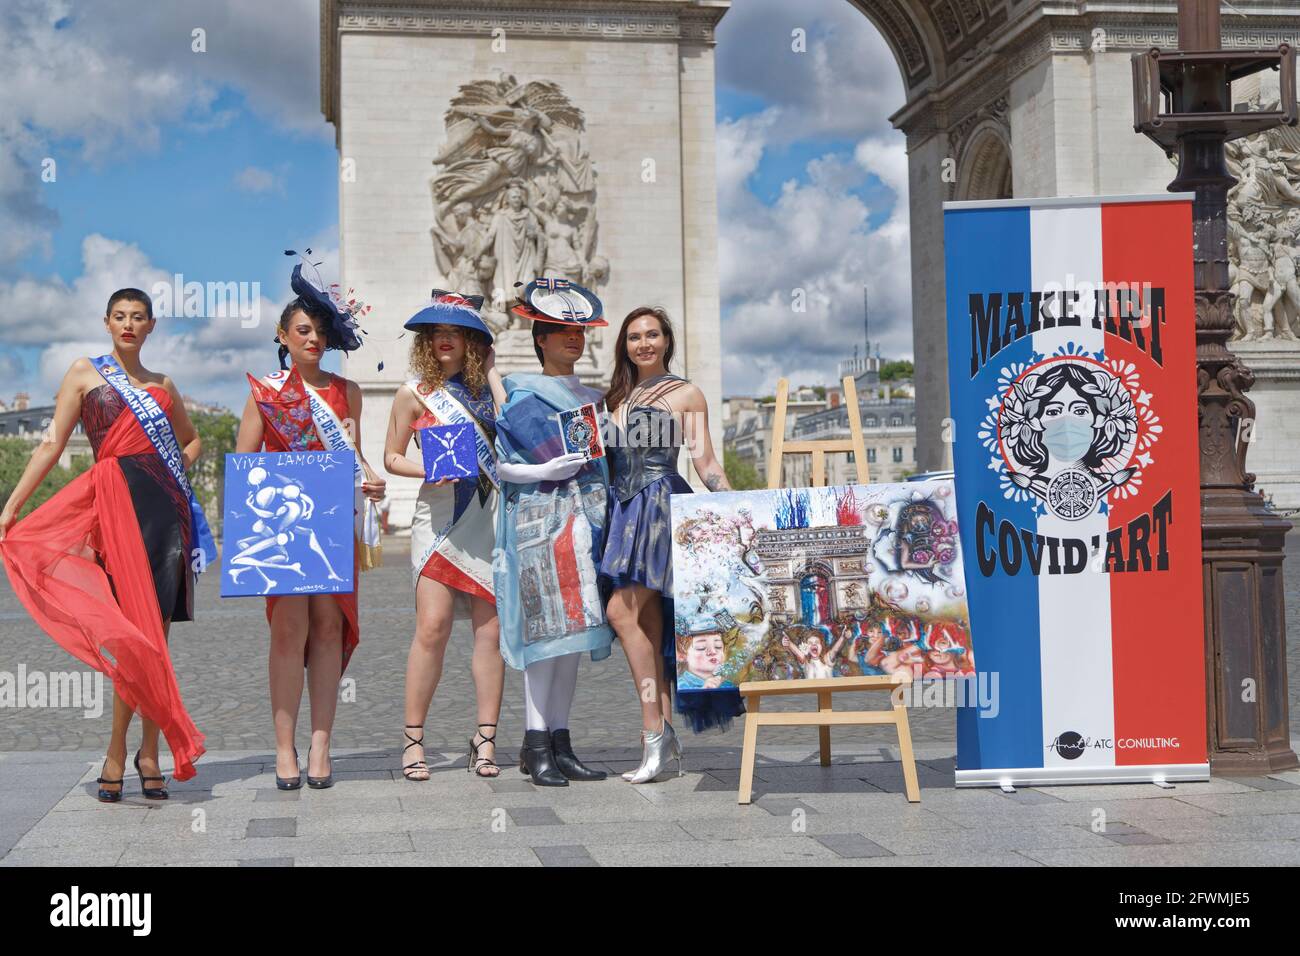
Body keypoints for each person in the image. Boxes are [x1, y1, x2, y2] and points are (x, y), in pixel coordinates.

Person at [0, 288, 214, 799]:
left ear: (152, 325)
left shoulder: (163, 385)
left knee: (155, 639)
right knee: (129, 639)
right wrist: (11, 506)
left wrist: (173, 468)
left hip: (165, 516)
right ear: (106, 322)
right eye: (120, 316)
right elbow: (52, 442)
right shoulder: (82, 372)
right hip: (113, 511)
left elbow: (193, 439)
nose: (128, 325)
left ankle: (146, 752)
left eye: (138, 317)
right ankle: (123, 750)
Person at [235, 262, 386, 790]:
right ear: (283, 336)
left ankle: (321, 744)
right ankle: (284, 749)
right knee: (289, 631)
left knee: (328, 628)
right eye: (303, 331)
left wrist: (371, 482)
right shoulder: (266, 393)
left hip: (335, 528)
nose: (314, 339)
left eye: (321, 332)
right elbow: (245, 466)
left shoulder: (350, 392)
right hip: (284, 530)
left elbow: (357, 460)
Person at [600, 306, 744, 784]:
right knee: (650, 625)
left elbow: (705, 462)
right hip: (622, 513)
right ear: (624, 344)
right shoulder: (615, 396)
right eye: (635, 336)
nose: (644, 343)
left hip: (661, 510)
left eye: (653, 335)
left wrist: (738, 508)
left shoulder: (685, 393)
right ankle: (664, 743)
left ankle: (654, 738)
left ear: (667, 341)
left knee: (620, 614)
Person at [492, 278, 612, 787]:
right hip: (538, 526)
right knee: (543, 639)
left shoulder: (595, 398)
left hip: (585, 524)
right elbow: (500, 469)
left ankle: (560, 742)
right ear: (540, 338)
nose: (574, 339)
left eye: (579, 331)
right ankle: (535, 741)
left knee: (573, 639)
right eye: (563, 331)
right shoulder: (520, 393)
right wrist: (544, 471)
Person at [383, 292, 504, 780]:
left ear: (472, 341)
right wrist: (426, 469)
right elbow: (391, 456)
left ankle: (486, 738)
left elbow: (515, 428)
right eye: (436, 333)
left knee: (489, 633)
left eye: (455, 332)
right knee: (432, 627)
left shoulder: (490, 392)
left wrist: (494, 373)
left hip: (489, 516)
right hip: (436, 519)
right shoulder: (413, 393)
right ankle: (413, 740)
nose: (444, 339)